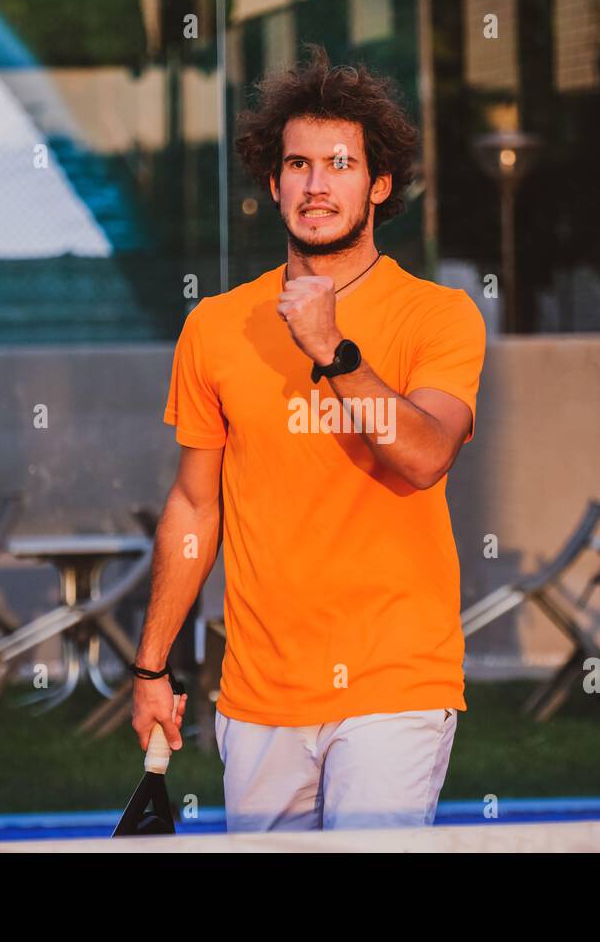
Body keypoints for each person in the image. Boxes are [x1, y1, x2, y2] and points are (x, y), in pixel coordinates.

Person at [131, 43, 486, 832]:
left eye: (339, 164)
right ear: (273, 180)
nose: (317, 185)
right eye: (298, 164)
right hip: (259, 694)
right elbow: (195, 508)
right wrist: (151, 664)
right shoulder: (216, 327)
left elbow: (426, 455)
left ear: (379, 184)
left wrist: (333, 351)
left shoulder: (438, 316)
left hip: (395, 683)